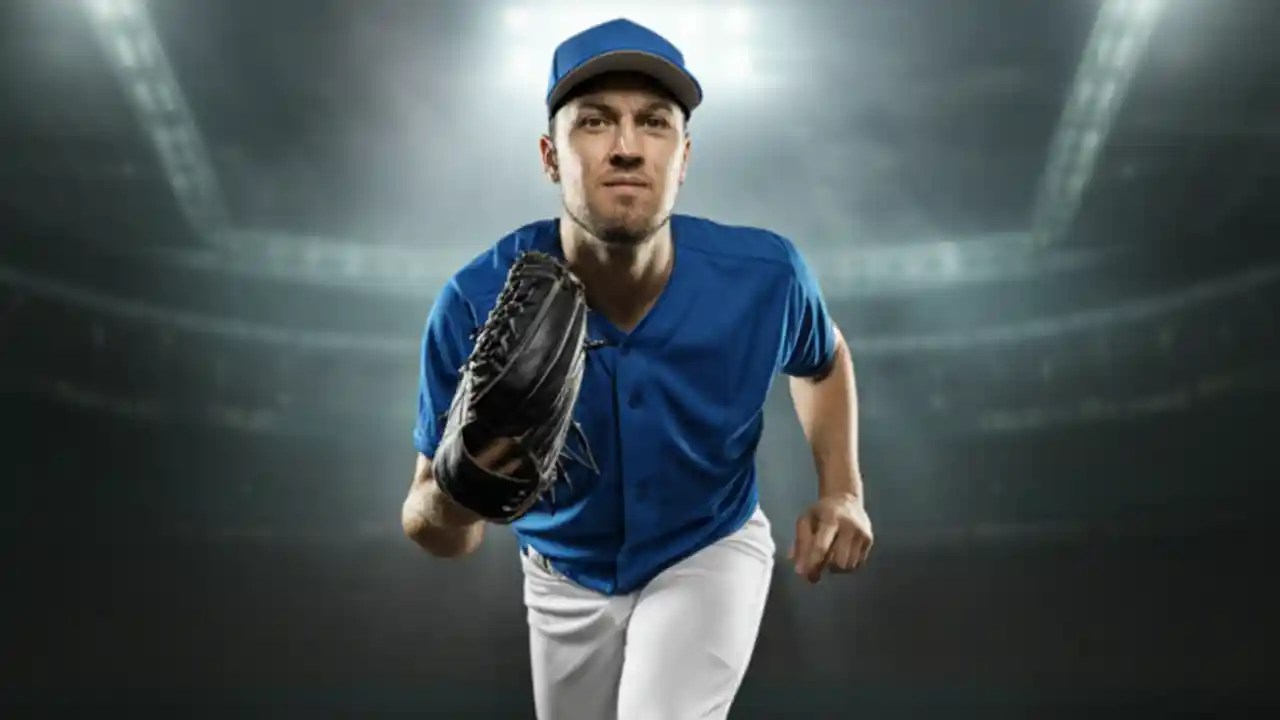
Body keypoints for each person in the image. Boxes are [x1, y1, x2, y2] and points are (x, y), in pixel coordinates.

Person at [400, 17, 874, 720]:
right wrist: (461, 487)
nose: (625, 147)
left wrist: (843, 490)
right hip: (562, 575)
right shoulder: (477, 301)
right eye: (594, 122)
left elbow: (824, 357)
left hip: (706, 547)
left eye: (653, 123)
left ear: (684, 157)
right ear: (550, 156)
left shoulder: (765, 276)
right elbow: (441, 531)